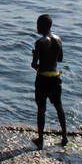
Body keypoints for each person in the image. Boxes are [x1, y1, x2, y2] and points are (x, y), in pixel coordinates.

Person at [31, 14, 67, 149]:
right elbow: (60, 59)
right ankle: (64, 136)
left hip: (42, 78)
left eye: (38, 24)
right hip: (56, 77)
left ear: (43, 26)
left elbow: (34, 65)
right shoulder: (58, 40)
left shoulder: (39, 43)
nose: (37, 27)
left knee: (41, 109)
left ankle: (40, 139)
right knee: (59, 107)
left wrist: (35, 54)